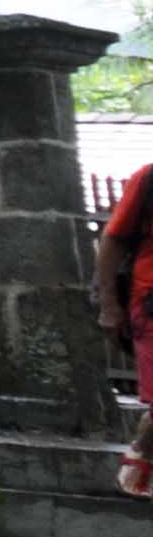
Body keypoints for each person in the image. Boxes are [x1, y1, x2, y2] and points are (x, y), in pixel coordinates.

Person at [100, 161, 153, 496]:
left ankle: (137, 471)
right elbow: (113, 240)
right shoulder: (149, 179)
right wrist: (108, 305)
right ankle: (135, 475)